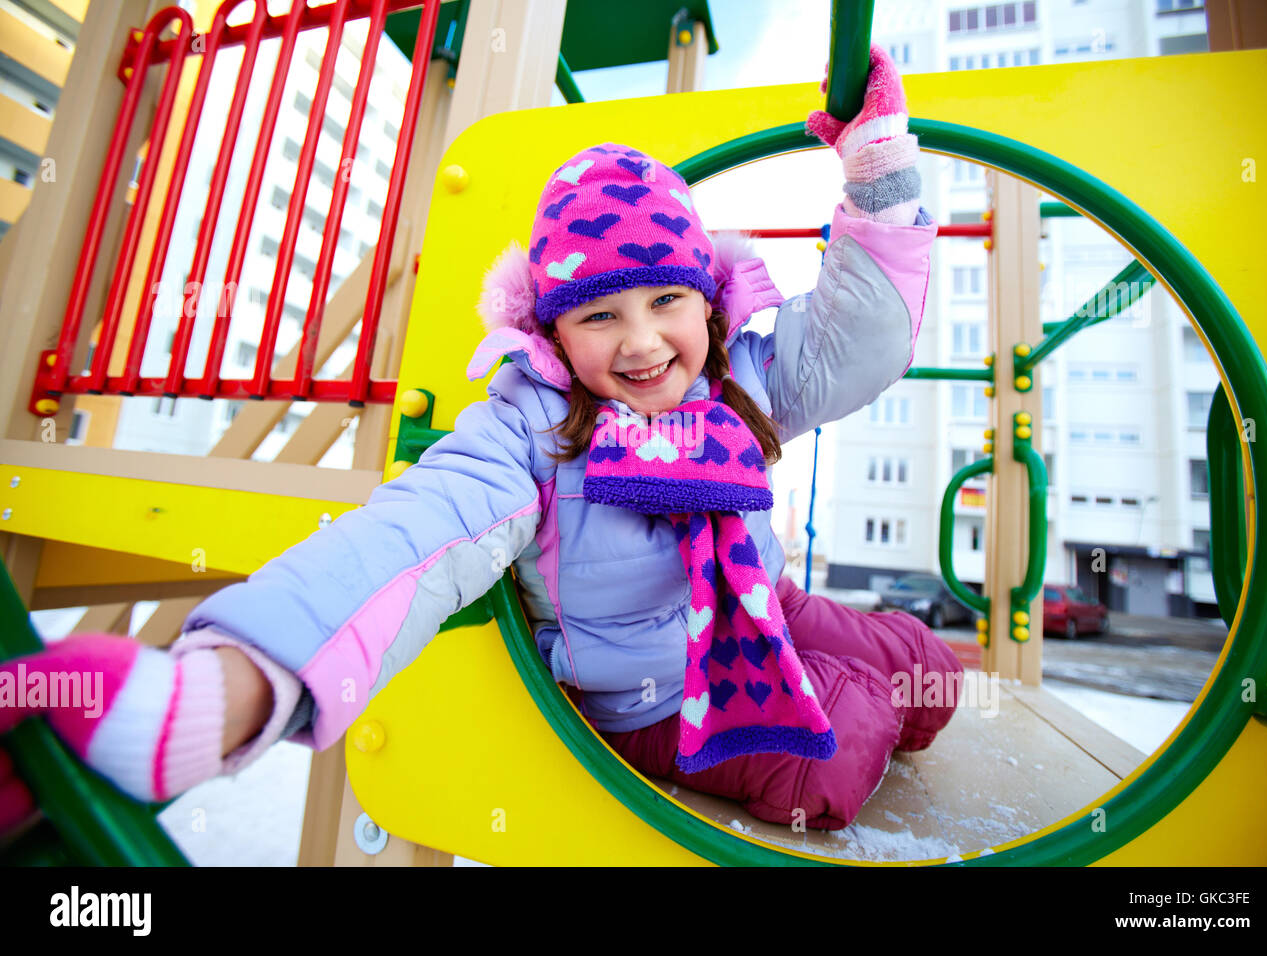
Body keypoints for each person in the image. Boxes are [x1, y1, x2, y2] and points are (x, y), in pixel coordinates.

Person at [0, 45, 962, 838]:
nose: (640, 343)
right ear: (554, 331)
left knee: (927, 668)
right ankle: (832, 693)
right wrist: (238, 684)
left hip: (761, 605)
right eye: (599, 314)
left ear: (706, 298)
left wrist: (878, 173)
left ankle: (843, 671)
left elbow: (860, 345)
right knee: (846, 741)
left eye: (666, 298)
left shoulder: (738, 378)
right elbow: (409, 539)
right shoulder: (533, 430)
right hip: (656, 698)